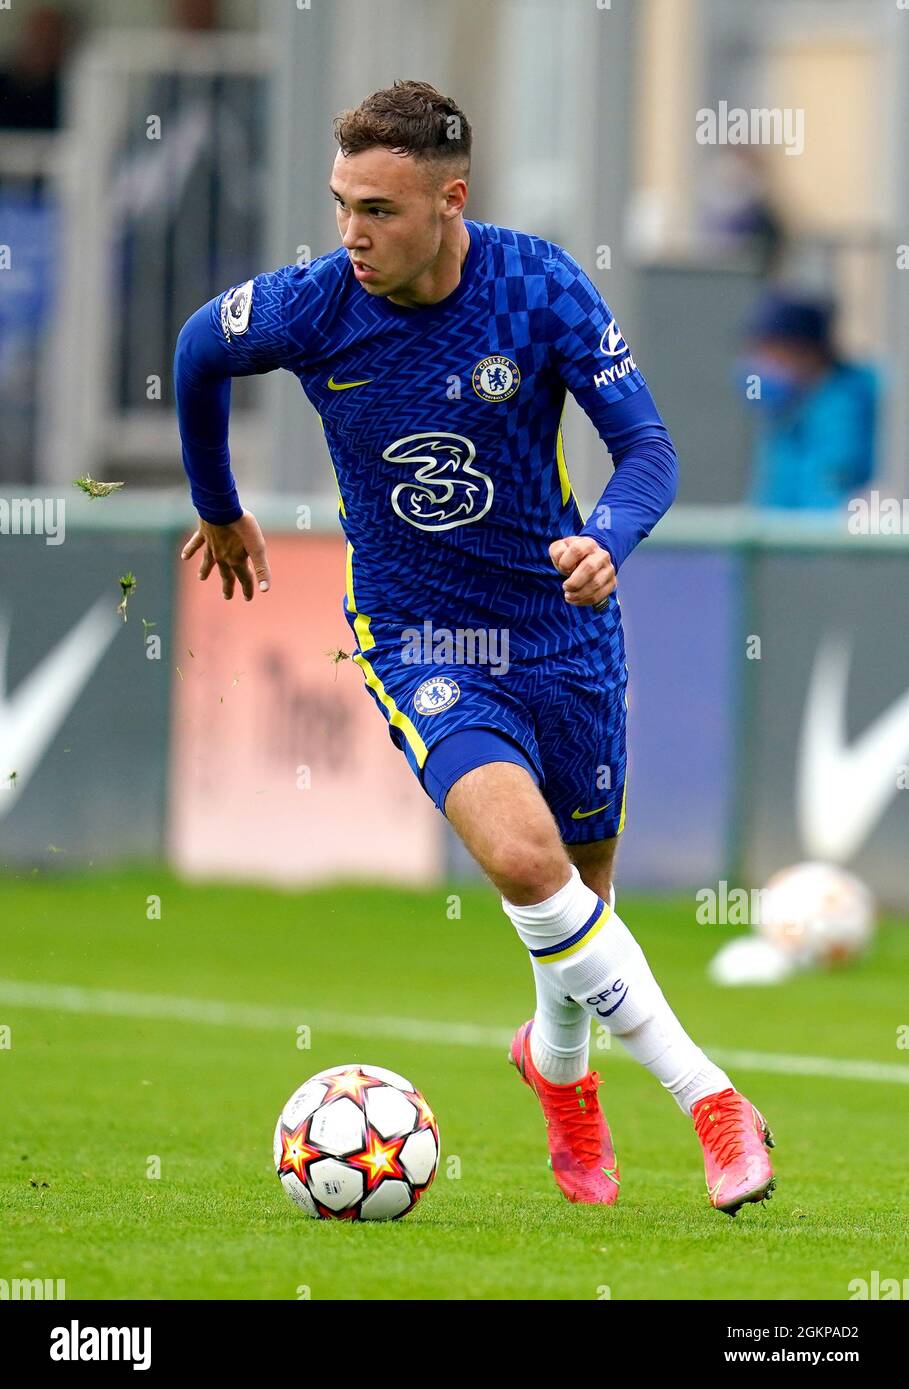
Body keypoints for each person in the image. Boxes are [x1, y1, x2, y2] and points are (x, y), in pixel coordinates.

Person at [173, 80, 775, 1215]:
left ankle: (557, 1075)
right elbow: (198, 349)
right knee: (524, 863)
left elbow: (648, 450)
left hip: (562, 627)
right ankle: (712, 1100)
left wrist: (607, 537)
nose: (353, 234)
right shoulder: (311, 305)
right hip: (418, 629)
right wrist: (217, 501)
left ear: (452, 200)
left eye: (383, 211)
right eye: (343, 203)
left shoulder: (538, 286)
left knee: (577, 906)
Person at [740, 290, 880, 510]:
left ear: (806, 352)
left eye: (769, 353)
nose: (758, 367)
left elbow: (826, 508)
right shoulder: (791, 409)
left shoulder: (845, 407)